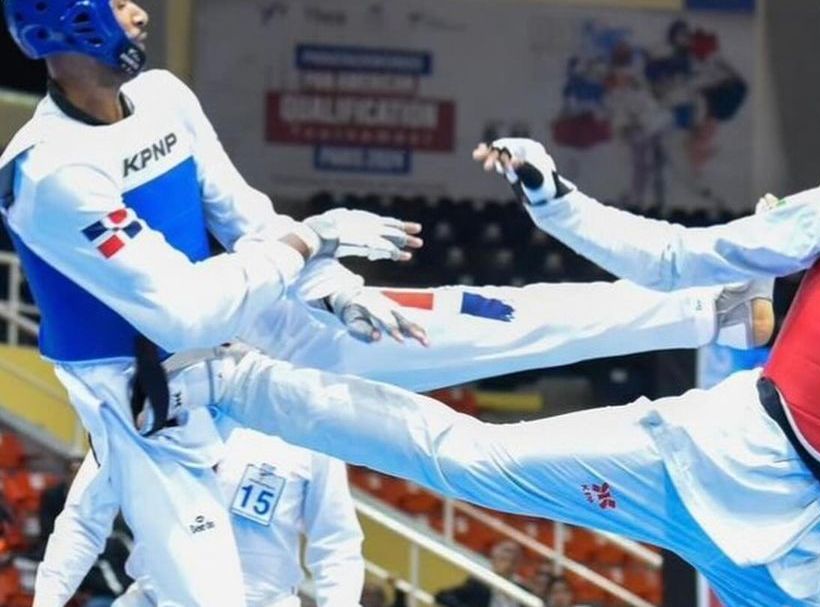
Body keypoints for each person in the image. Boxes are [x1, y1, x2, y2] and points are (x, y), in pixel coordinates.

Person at [157, 33, 820, 607]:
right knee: (469, 460)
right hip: (696, 454)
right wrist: (559, 203)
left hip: (806, 547)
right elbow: (676, 259)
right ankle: (225, 377)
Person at [0, 1, 772, 604]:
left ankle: (721, 307)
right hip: (149, 404)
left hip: (247, 324)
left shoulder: (164, 96)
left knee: (479, 319)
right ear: (70, 23)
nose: (138, 14)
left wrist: (331, 287)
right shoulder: (51, 174)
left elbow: (241, 213)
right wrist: (310, 245)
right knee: (208, 593)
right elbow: (183, 311)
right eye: (117, 2)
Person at [34, 422, 364, 607]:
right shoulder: (138, 412)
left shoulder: (303, 432)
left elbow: (336, 542)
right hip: (155, 599)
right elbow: (82, 520)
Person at [434, 539, 526, 607]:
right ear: (493, 559)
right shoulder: (478, 583)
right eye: (502, 558)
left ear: (518, 563)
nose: (507, 562)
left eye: (511, 559)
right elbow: (441, 596)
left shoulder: (524, 590)